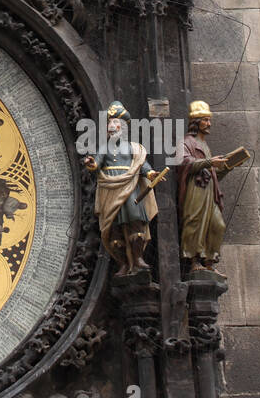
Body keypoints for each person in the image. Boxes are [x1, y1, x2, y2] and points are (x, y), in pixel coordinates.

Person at [85, 100, 162, 276]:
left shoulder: (133, 148)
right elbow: (96, 164)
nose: (112, 126)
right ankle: (123, 263)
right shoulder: (104, 148)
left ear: (124, 127)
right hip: (110, 189)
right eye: (110, 123)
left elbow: (141, 164)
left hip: (130, 189)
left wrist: (150, 174)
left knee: (135, 222)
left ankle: (137, 258)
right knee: (114, 228)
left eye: (115, 122)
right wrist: (91, 163)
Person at [175, 100, 236, 273]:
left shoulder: (205, 145)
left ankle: (209, 261)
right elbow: (183, 162)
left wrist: (227, 167)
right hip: (195, 189)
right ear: (196, 122)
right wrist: (209, 162)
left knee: (218, 225)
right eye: (205, 120)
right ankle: (194, 260)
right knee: (194, 221)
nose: (209, 124)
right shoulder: (186, 142)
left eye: (209, 120)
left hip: (209, 189)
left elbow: (211, 173)